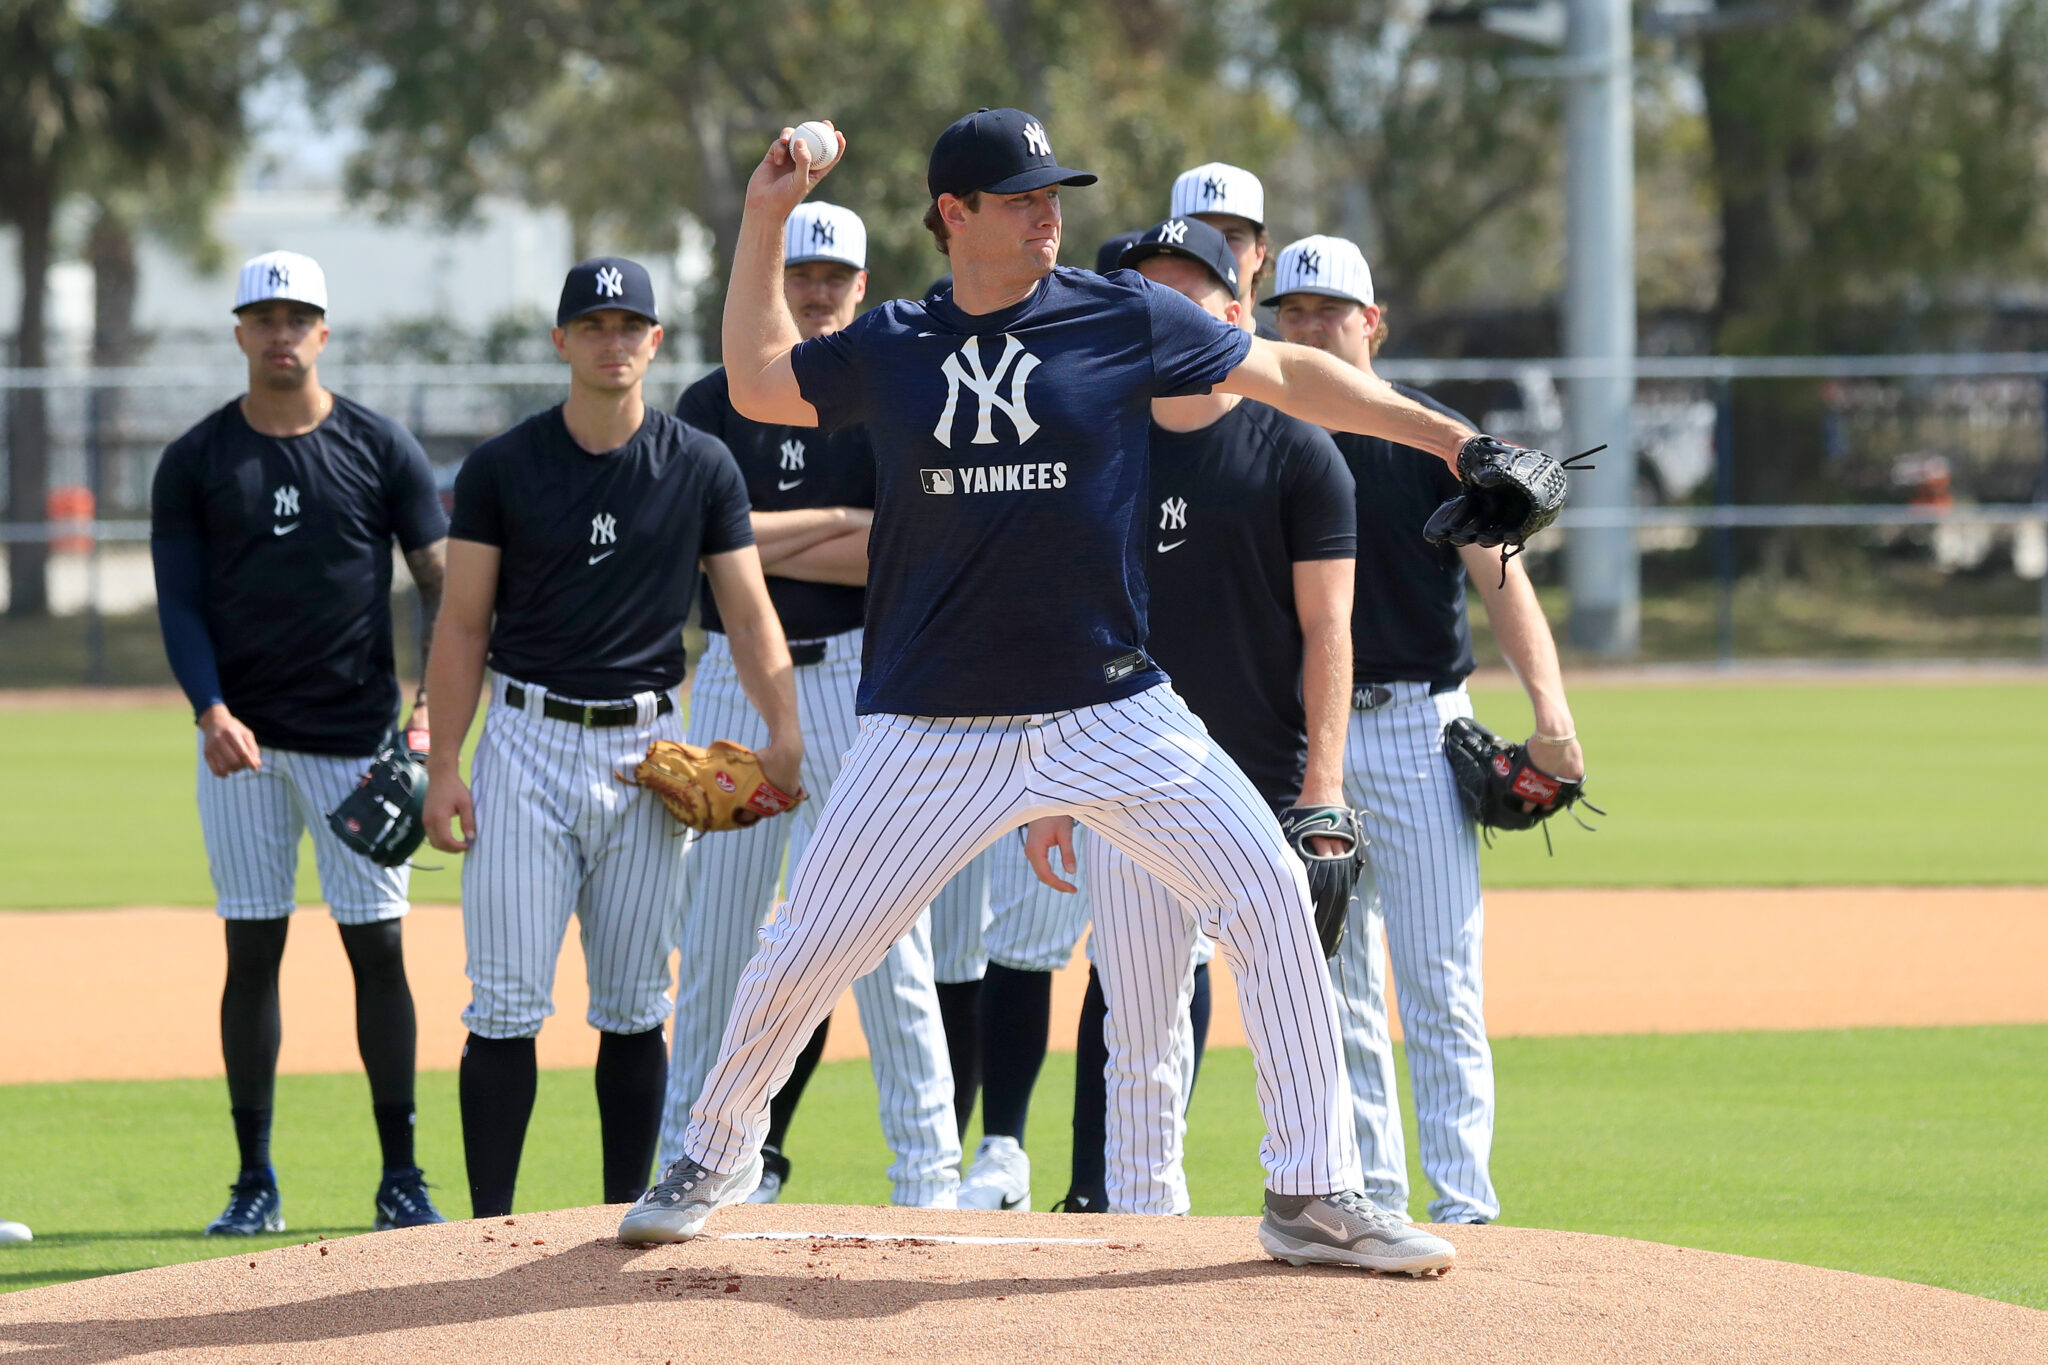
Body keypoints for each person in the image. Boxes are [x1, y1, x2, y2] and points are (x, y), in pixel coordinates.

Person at [620, 106, 1546, 1275]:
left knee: (1269, 895)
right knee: (808, 944)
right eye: (1018, 198)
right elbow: (755, 382)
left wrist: (1454, 444)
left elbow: (1293, 373)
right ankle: (711, 1152)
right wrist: (763, 215)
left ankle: (1311, 1188)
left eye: (1053, 193)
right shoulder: (895, 343)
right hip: (927, 722)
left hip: (1108, 708)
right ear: (951, 214)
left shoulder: (1118, 316)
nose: (1047, 214)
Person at [421, 257, 801, 1219]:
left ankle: (619, 1214)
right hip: (524, 742)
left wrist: (786, 732)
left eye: (631, 323)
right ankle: (488, 1229)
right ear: (561, 341)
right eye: (593, 323)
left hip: (646, 754)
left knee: (634, 1005)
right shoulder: (504, 466)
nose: (612, 338)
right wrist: (443, 766)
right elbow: (462, 625)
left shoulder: (700, 464)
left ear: (656, 342)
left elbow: (747, 618)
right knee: (504, 1003)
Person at [1268, 234, 1586, 1225]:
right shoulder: (1259, 432)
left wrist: (1551, 717)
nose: (1310, 323)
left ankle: (1463, 1203)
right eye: (1293, 309)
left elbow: (1501, 581)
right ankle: (1371, 1195)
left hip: (1414, 726)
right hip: (1301, 738)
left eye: (1330, 309)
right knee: (1337, 981)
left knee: (1439, 973)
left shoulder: (1433, 438)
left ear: (1373, 324)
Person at [666, 202, 960, 1209]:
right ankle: (694, 1156)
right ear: (771, 280)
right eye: (800, 273)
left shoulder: (887, 395)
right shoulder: (711, 404)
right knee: (714, 940)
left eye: (834, 276)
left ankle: (926, 1173)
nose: (817, 290)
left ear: (862, 284)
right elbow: (694, 563)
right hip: (730, 688)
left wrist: (745, 538)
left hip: (863, 679)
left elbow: (895, 549)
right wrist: (827, 528)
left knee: (886, 939)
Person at [150, 250, 450, 1236]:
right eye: (263, 317)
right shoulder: (197, 460)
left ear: (324, 332)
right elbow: (182, 603)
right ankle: (253, 1182)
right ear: (239, 331)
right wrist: (208, 708)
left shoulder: (378, 446)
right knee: (253, 951)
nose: (281, 334)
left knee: (377, 954)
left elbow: (444, 586)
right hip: (246, 748)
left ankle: (401, 1177)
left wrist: (423, 719)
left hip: (359, 745)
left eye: (298, 318)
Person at [1169, 163, 1275, 336]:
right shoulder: (1146, 354)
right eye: (1198, 234)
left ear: (1259, 254)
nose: (1214, 250)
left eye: (1231, 238)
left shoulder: (1287, 360)